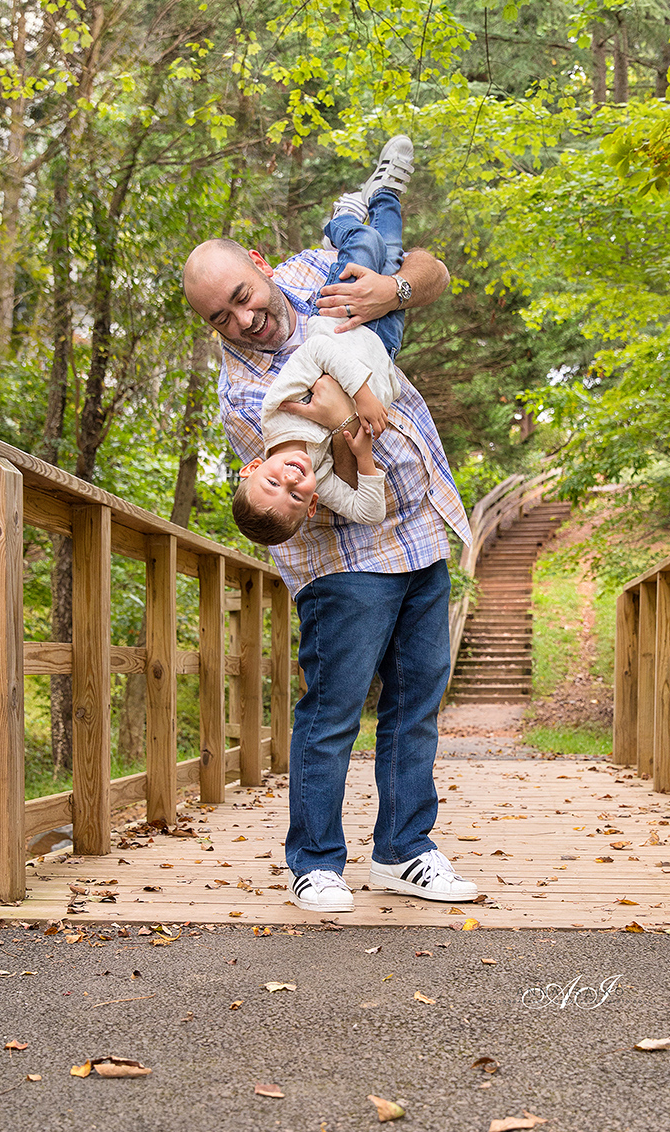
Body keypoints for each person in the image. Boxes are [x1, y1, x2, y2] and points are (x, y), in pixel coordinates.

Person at [183, 137, 478, 913]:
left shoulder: (318, 269)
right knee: (335, 713)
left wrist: (392, 293)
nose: (245, 318)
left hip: (420, 529)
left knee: (417, 704)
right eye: (223, 317)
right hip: (347, 562)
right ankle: (314, 861)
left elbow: (434, 272)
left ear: (261, 262)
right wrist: (351, 419)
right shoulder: (243, 401)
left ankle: (405, 851)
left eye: (245, 293)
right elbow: (323, 483)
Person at [233, 144, 413, 544]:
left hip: (341, 323)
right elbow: (370, 512)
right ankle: (386, 193)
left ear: (252, 467)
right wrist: (362, 456)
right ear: (312, 504)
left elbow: (316, 351)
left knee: (364, 245)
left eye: (272, 483)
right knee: (394, 257)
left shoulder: (277, 410)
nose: (291, 480)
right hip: (382, 350)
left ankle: (344, 217)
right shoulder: (322, 478)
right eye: (295, 496)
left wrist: (361, 397)